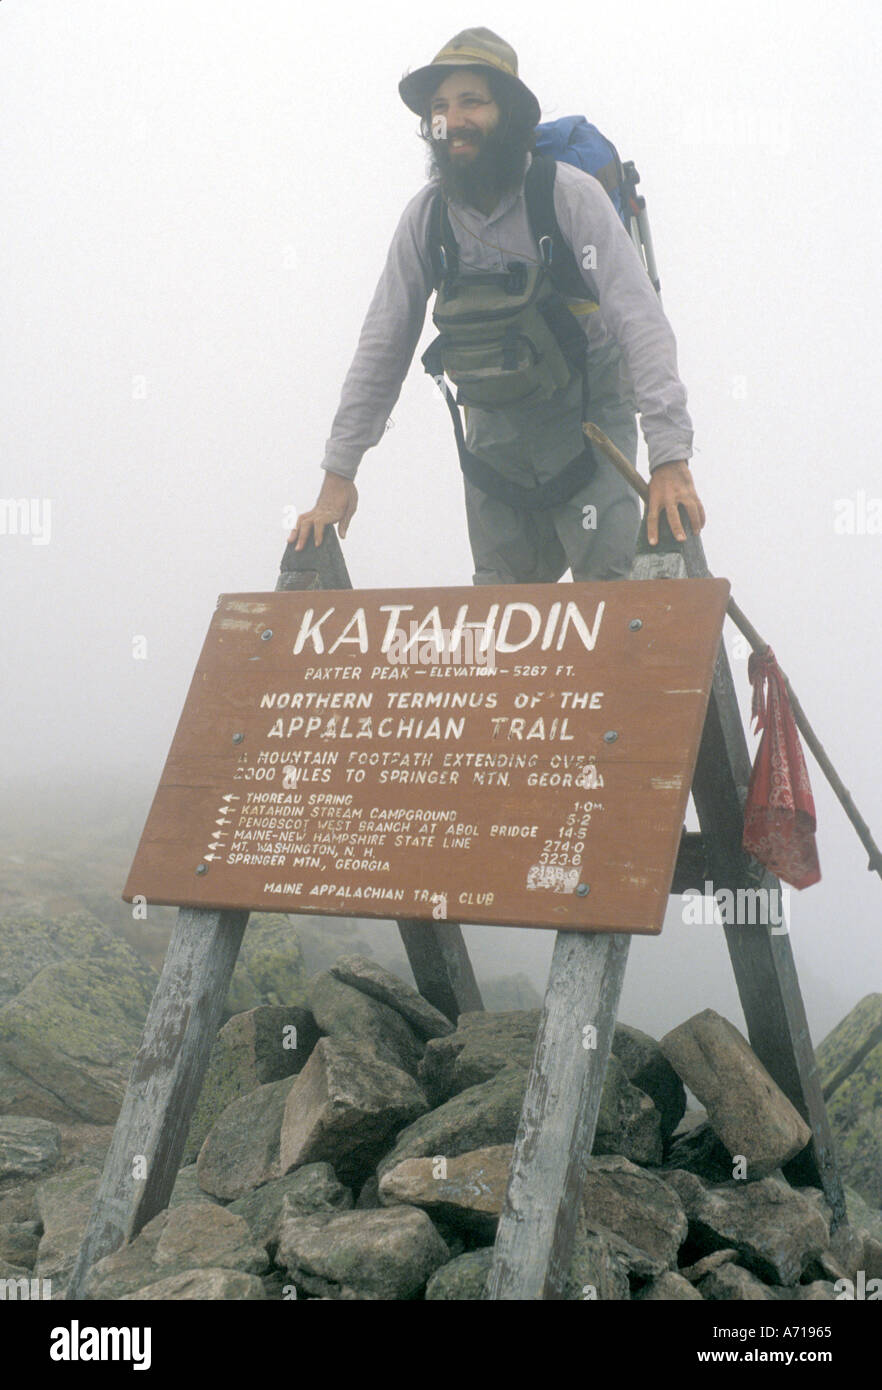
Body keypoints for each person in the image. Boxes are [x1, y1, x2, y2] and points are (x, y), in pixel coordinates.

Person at [290, 27, 705, 581]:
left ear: (507, 113)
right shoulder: (428, 220)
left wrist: (669, 458)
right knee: (499, 623)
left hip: (589, 423)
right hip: (492, 440)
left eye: (471, 102)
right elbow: (383, 345)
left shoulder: (568, 197)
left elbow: (641, 324)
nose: (452, 119)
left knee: (609, 605)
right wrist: (338, 476)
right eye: (439, 107)